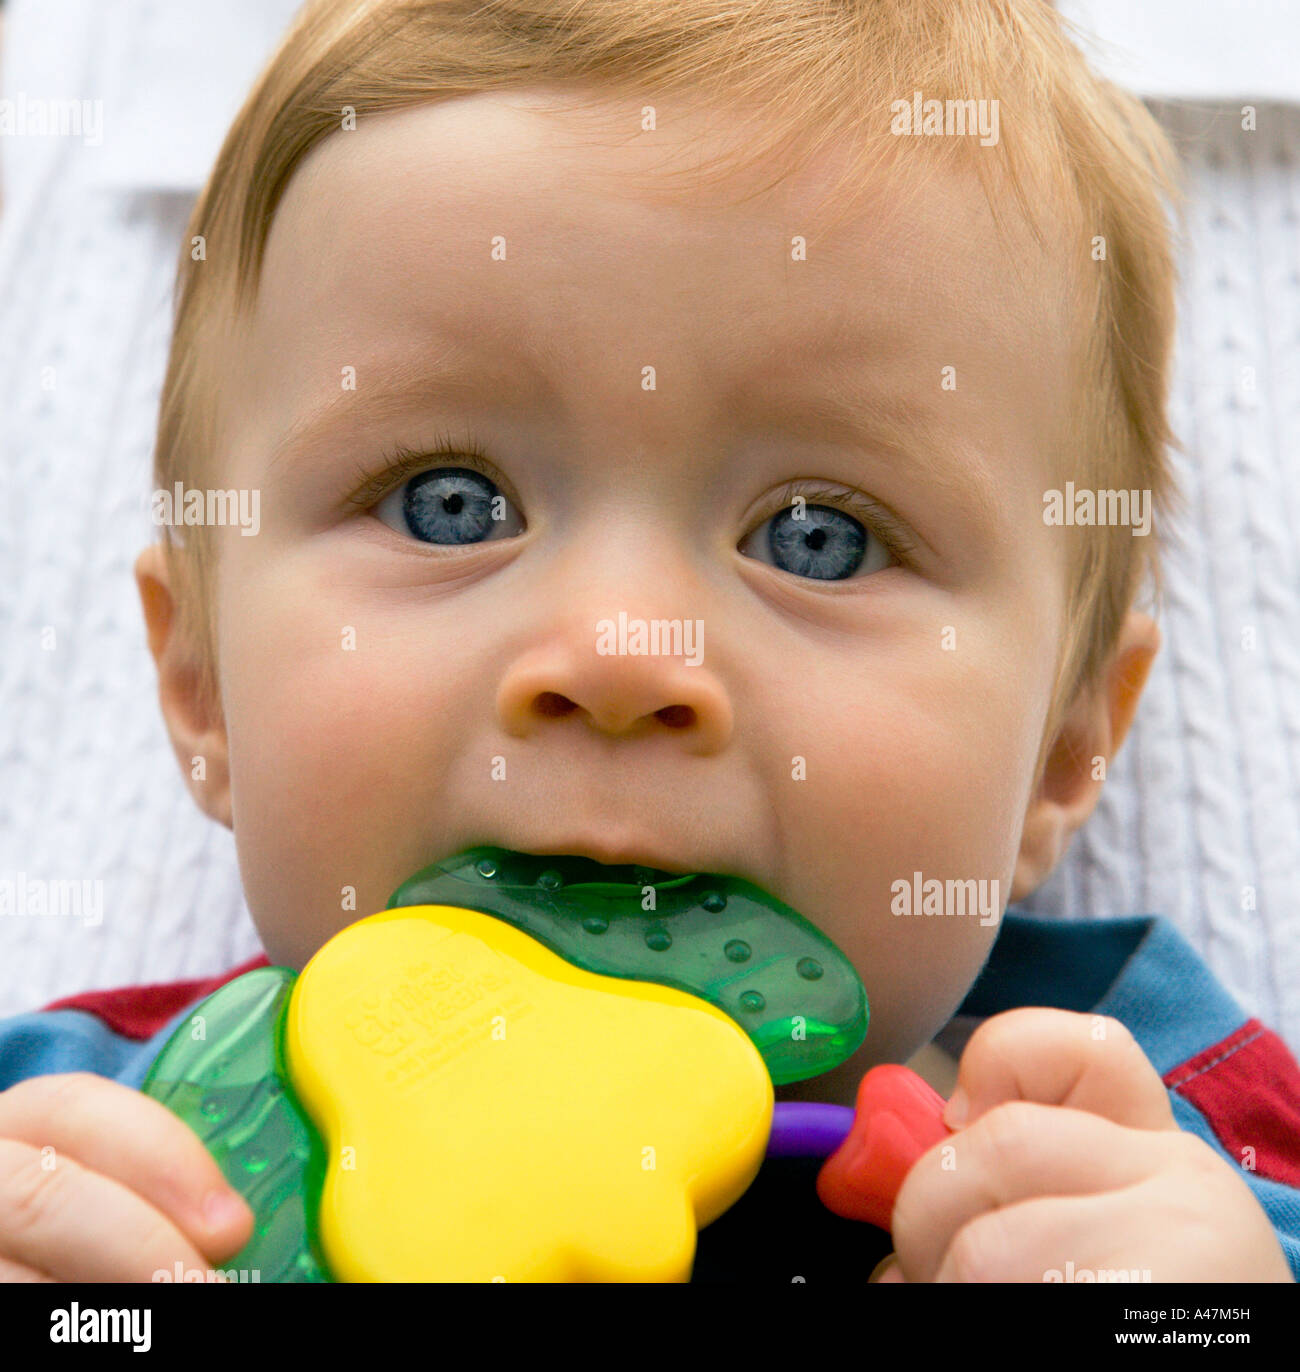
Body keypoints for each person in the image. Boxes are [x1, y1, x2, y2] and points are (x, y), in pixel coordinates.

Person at [0, 0, 1295, 1282]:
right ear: (200, 686)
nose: (617, 658)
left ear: (1068, 750)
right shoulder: (85, 1166)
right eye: (449, 506)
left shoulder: (1185, 1175)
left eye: (815, 541)